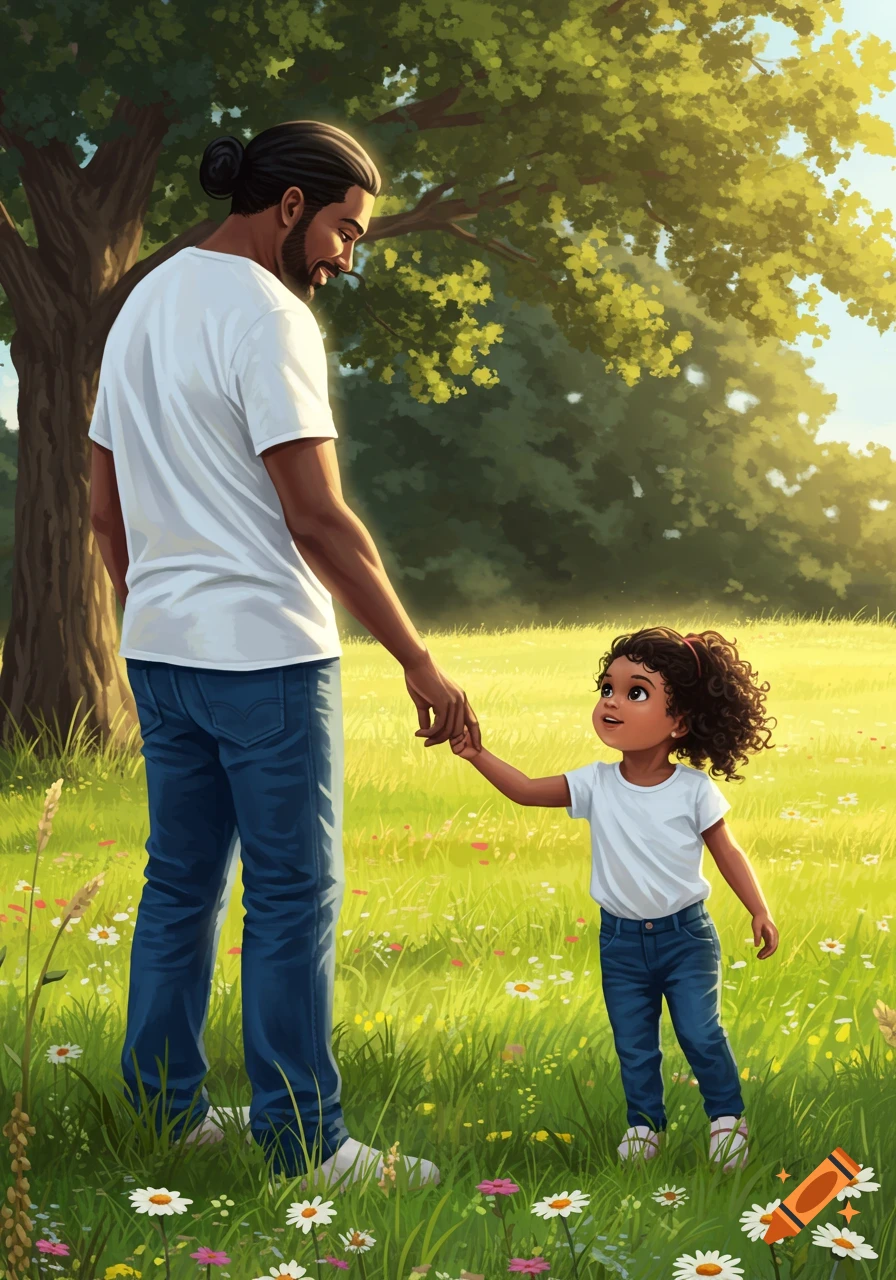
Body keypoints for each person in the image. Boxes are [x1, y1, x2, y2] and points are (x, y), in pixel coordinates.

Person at [88, 120, 479, 1186]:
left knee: (178, 887)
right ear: (292, 205)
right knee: (292, 895)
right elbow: (318, 518)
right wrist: (416, 658)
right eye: (346, 231)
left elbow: (103, 505)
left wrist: (157, 604)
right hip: (266, 654)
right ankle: (306, 1144)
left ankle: (166, 1115)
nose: (348, 257)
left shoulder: (144, 301)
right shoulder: (268, 316)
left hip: (161, 650)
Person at [450, 626, 778, 1171]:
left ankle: (727, 1119)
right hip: (621, 942)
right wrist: (475, 754)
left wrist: (759, 909)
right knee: (634, 1042)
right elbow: (525, 790)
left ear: (679, 721)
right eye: (607, 688)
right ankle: (644, 1127)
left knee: (700, 1032)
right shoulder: (595, 783)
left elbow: (727, 852)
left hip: (686, 937)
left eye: (636, 692)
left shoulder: (693, 790)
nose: (612, 702)